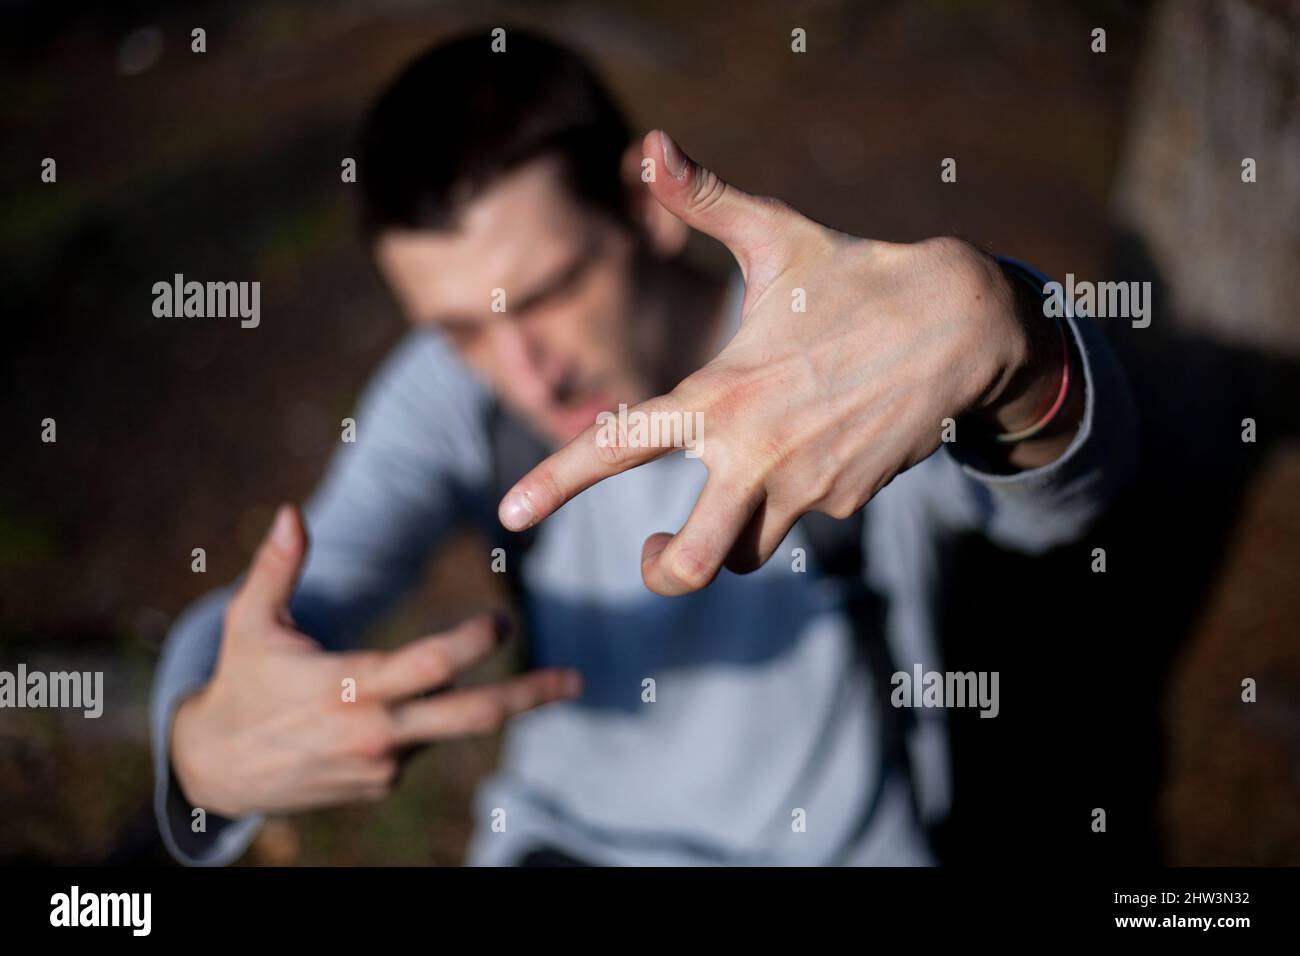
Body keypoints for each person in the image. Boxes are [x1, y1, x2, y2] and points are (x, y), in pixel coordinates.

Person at [151, 30, 1137, 866]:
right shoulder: (445, 392)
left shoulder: (822, 359)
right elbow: (290, 598)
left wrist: (1015, 345)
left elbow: (1065, 497)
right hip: (560, 843)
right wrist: (201, 744)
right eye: (460, 327)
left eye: (545, 294)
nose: (523, 370)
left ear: (643, 208)